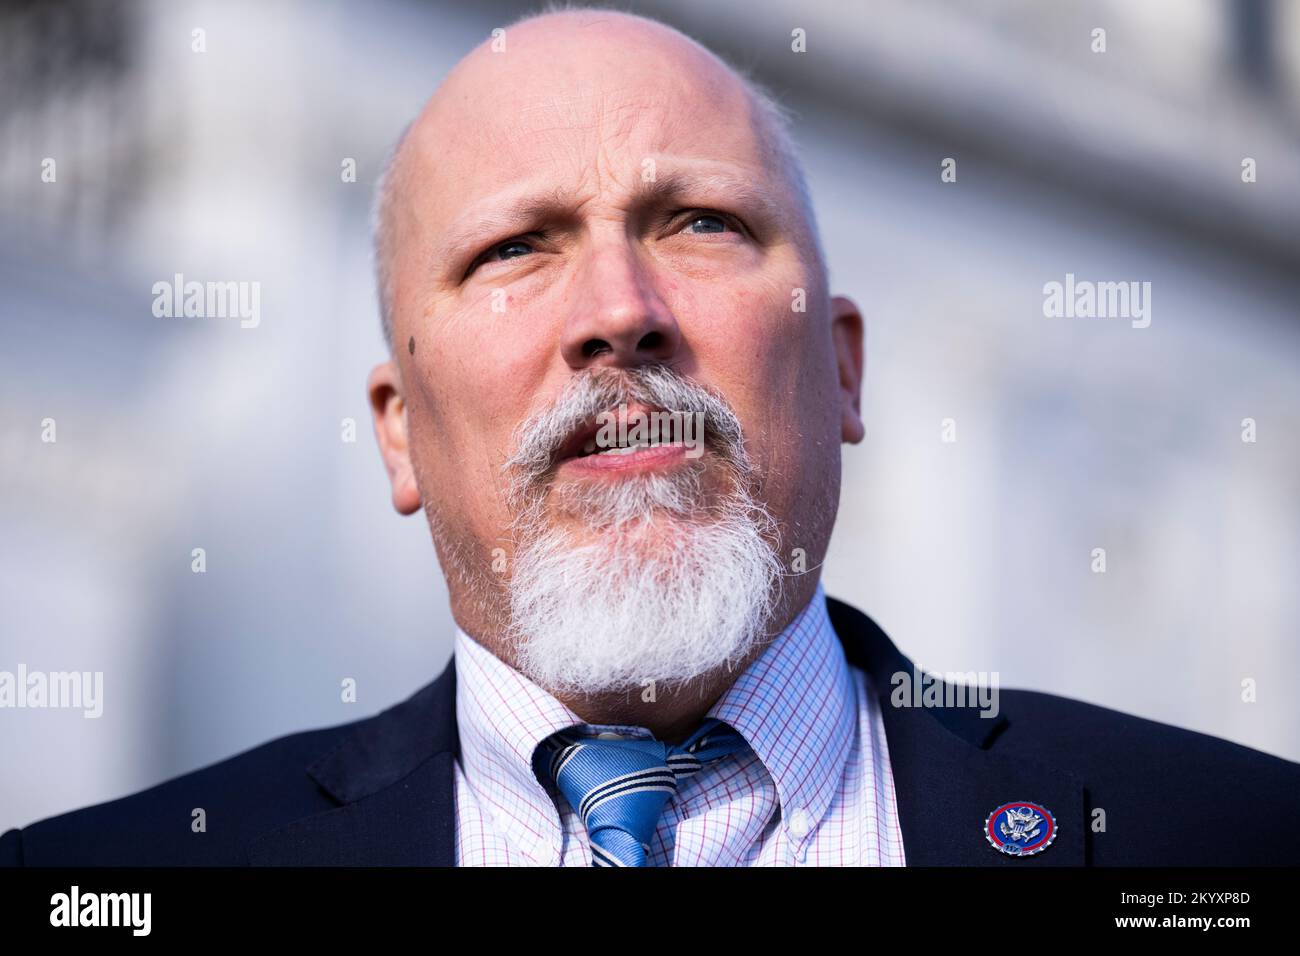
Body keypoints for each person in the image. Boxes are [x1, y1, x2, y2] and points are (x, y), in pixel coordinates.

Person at [4, 6, 1297, 868]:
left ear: (843, 372)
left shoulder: (1228, 845)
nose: (620, 316)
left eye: (701, 225)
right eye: (516, 248)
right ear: (398, 435)